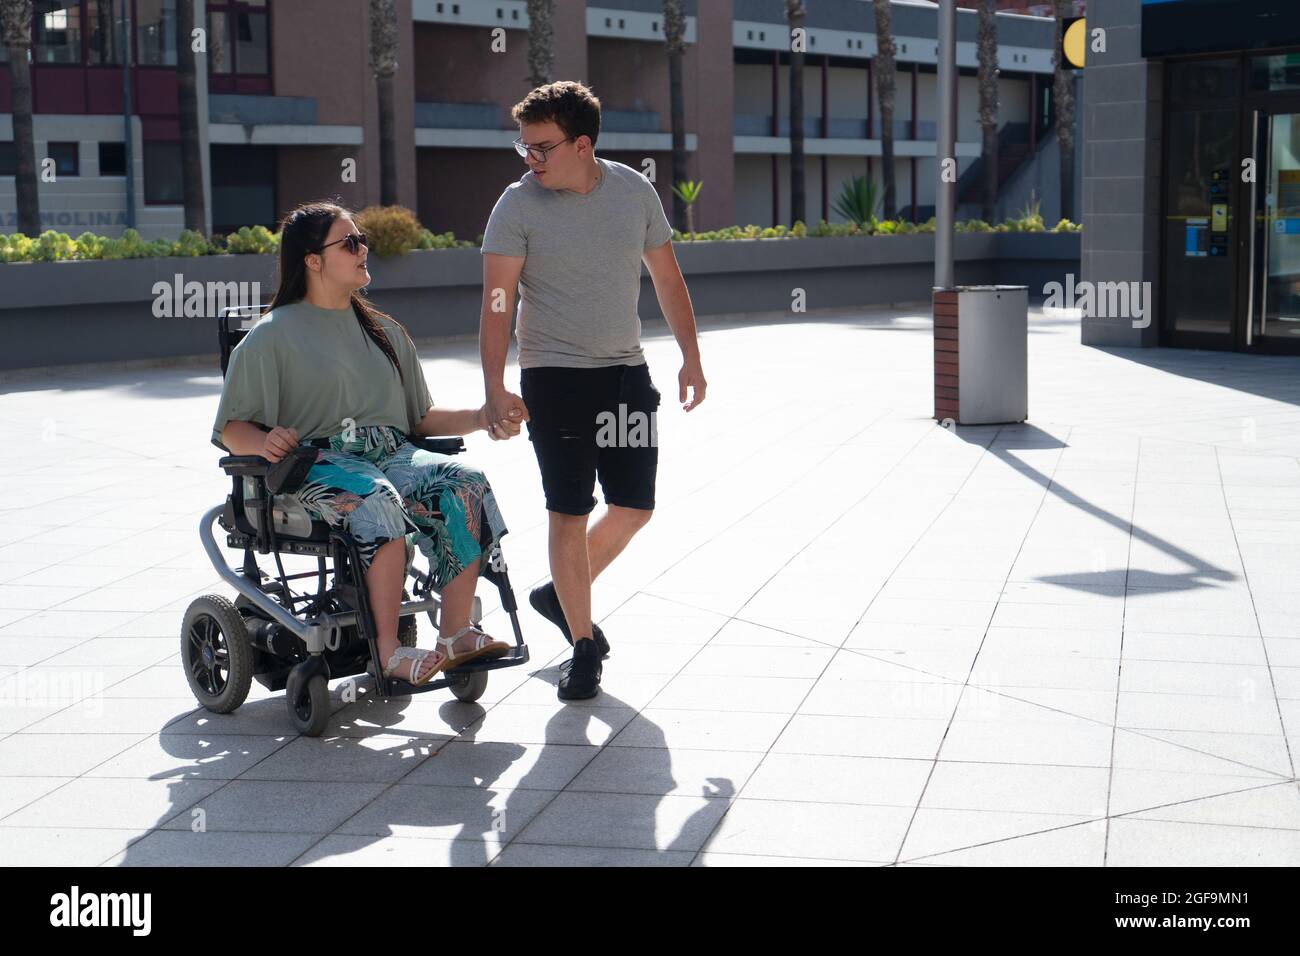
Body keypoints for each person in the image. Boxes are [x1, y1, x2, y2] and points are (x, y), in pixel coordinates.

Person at [213, 201, 523, 686]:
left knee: (463, 482)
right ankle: (387, 650)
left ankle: (456, 633)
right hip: (315, 462)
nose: (364, 250)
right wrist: (265, 438)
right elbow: (232, 429)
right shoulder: (270, 337)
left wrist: (483, 417)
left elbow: (418, 419)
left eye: (363, 241)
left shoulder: (384, 333)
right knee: (376, 497)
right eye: (350, 243)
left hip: (390, 452)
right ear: (312, 261)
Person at [479, 81, 708, 701]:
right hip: (553, 380)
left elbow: (667, 277)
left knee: (635, 506)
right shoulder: (516, 205)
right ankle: (583, 644)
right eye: (523, 147)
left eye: (542, 148)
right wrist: (494, 385)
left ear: (582, 145)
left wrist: (690, 355)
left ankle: (560, 592)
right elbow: (498, 301)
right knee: (569, 509)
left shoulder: (634, 192)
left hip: (625, 376)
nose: (531, 159)